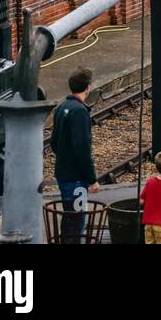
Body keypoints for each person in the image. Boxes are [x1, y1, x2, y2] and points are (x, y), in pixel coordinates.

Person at [50, 68, 99, 243]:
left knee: (68, 218)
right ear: (87, 88)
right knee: (77, 222)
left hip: (63, 173)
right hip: (76, 178)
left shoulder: (62, 107)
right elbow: (82, 148)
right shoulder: (80, 111)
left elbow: (54, 142)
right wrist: (91, 179)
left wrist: (64, 157)